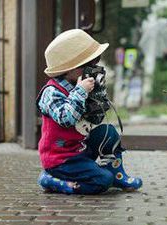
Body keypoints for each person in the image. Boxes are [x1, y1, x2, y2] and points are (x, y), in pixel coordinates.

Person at [36, 29, 142, 194]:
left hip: (80, 148)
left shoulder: (80, 84)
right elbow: (66, 119)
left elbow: (94, 121)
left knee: (109, 132)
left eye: (95, 61)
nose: (94, 67)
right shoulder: (51, 92)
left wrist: (97, 97)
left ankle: (117, 174)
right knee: (102, 180)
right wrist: (80, 92)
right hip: (61, 159)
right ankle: (53, 181)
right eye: (89, 64)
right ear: (70, 68)